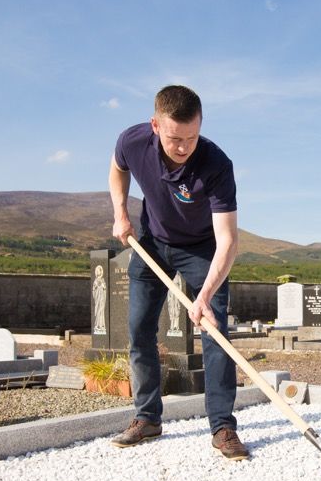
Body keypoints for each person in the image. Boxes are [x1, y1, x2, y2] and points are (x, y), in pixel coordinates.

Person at [107, 85, 249, 461]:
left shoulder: (216, 165)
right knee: (138, 328)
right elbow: (117, 168)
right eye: (175, 139)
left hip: (203, 249)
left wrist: (203, 297)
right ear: (155, 126)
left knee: (214, 330)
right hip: (153, 242)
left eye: (192, 137)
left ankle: (222, 426)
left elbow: (228, 241)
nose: (184, 147)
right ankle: (147, 418)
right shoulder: (132, 141)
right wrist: (121, 211)